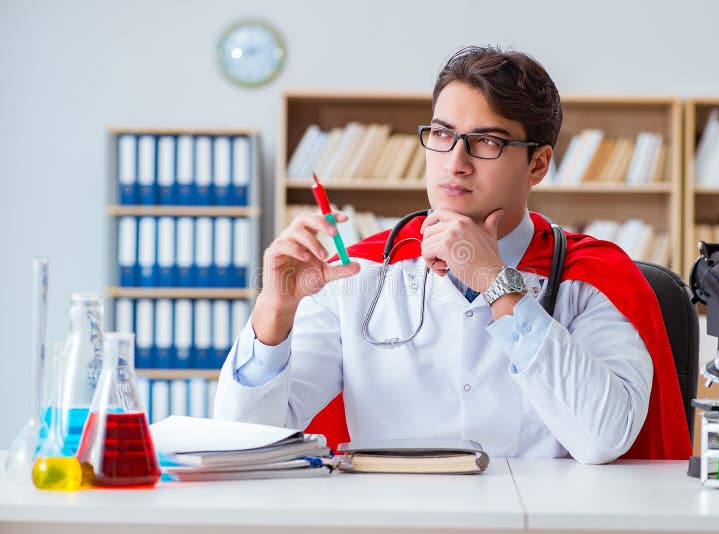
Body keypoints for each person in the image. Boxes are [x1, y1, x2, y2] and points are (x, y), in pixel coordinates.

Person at [215, 46, 691, 463]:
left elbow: (603, 439)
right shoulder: (357, 274)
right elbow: (247, 438)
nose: (454, 162)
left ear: (538, 164)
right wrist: (273, 313)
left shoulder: (592, 280)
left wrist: (496, 283)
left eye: (487, 141)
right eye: (442, 135)